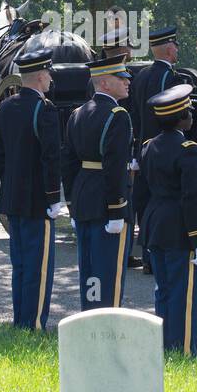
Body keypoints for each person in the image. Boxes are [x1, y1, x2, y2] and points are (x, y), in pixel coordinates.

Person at [0, 50, 63, 330]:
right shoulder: (44, 109)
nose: (51, 79)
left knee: (20, 265)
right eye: (49, 74)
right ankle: (32, 324)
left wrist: (4, 189)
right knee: (38, 268)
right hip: (37, 201)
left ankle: (20, 319)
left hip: (13, 199)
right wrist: (54, 197)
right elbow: (50, 157)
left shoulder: (6, 107)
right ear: (41, 75)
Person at [134, 83, 197, 356]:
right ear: (181, 117)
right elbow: (191, 198)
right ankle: (184, 350)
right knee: (183, 293)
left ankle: (164, 347)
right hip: (179, 228)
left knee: (163, 291)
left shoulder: (148, 147)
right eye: (188, 109)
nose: (192, 114)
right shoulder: (188, 150)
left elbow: (142, 194)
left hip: (155, 225)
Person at [62, 55, 133, 310]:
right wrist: (117, 208)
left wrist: (71, 202)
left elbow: (68, 164)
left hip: (83, 197)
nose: (127, 81)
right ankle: (107, 322)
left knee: (89, 268)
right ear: (104, 84)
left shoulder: (77, 113)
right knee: (108, 270)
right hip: (106, 200)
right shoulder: (117, 115)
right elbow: (114, 168)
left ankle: (88, 316)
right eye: (121, 77)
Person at [128, 25, 188, 271]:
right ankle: (158, 256)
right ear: (166, 48)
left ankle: (148, 257)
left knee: (145, 205)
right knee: (161, 204)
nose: (177, 49)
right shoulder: (169, 79)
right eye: (174, 45)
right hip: (165, 151)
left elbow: (135, 116)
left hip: (144, 149)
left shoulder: (141, 75)